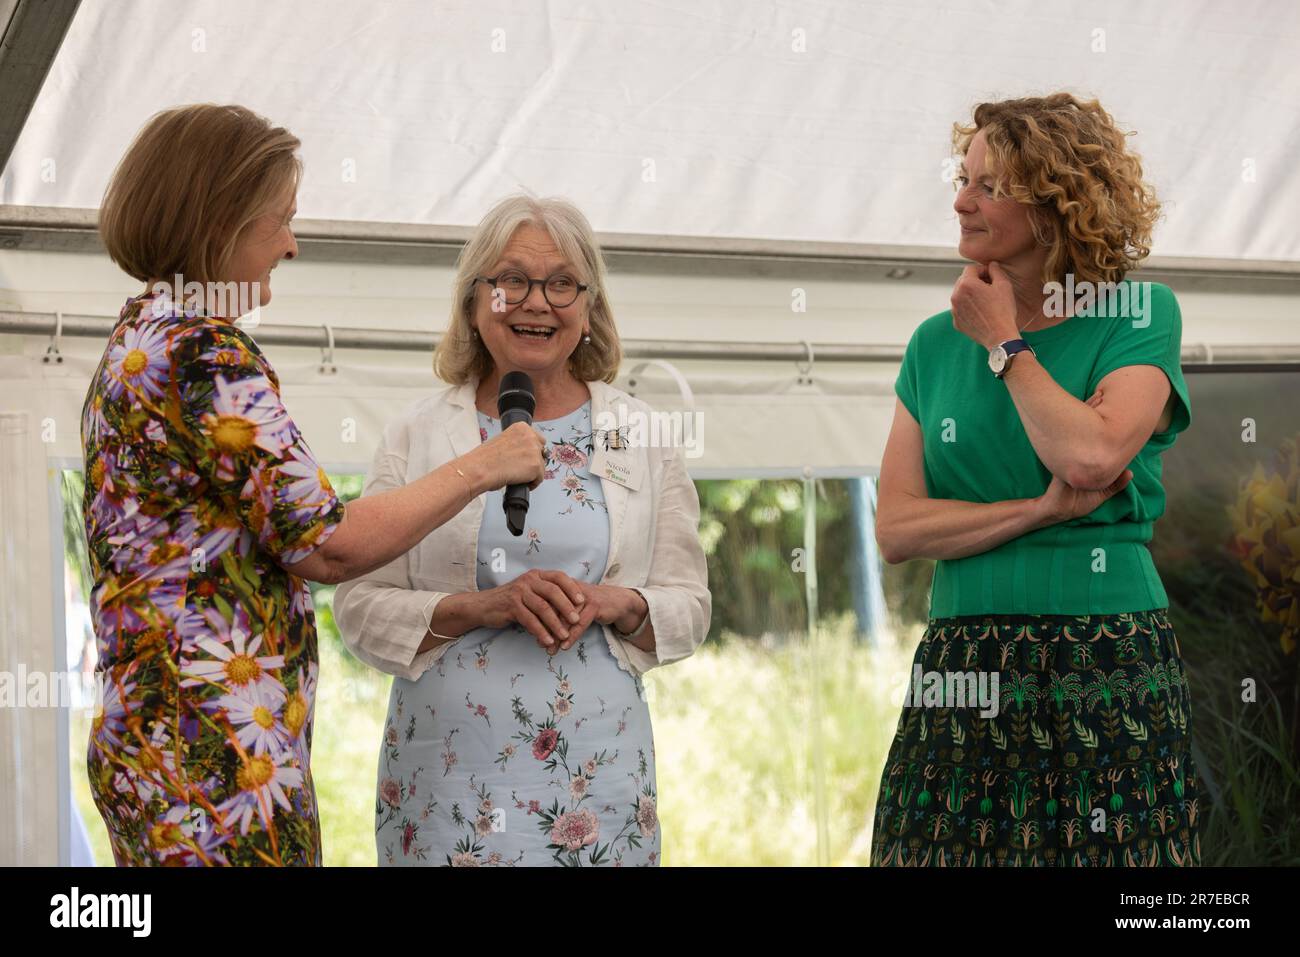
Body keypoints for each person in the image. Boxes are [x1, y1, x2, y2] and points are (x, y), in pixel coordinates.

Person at [81, 104, 545, 866]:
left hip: (160, 742)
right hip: (214, 755)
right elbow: (328, 546)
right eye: (280, 220)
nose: (290, 246)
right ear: (219, 218)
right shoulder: (206, 356)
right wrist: (485, 466)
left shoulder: (139, 339)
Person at [871, 93, 1200, 866]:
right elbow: (895, 529)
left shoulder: (1136, 313)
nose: (962, 199)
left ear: (1056, 206)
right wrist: (1037, 510)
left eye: (990, 186)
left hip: (1108, 654)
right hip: (961, 657)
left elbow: (1090, 457)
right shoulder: (930, 342)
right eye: (964, 178)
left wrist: (1005, 343)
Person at [335, 194, 711, 867]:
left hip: (598, 778)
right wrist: (481, 607)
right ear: (475, 303)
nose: (538, 301)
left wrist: (614, 602)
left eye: (562, 282)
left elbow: (690, 606)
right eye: (512, 280)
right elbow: (358, 607)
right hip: (446, 780)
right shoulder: (419, 433)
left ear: (590, 306)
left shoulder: (642, 433)